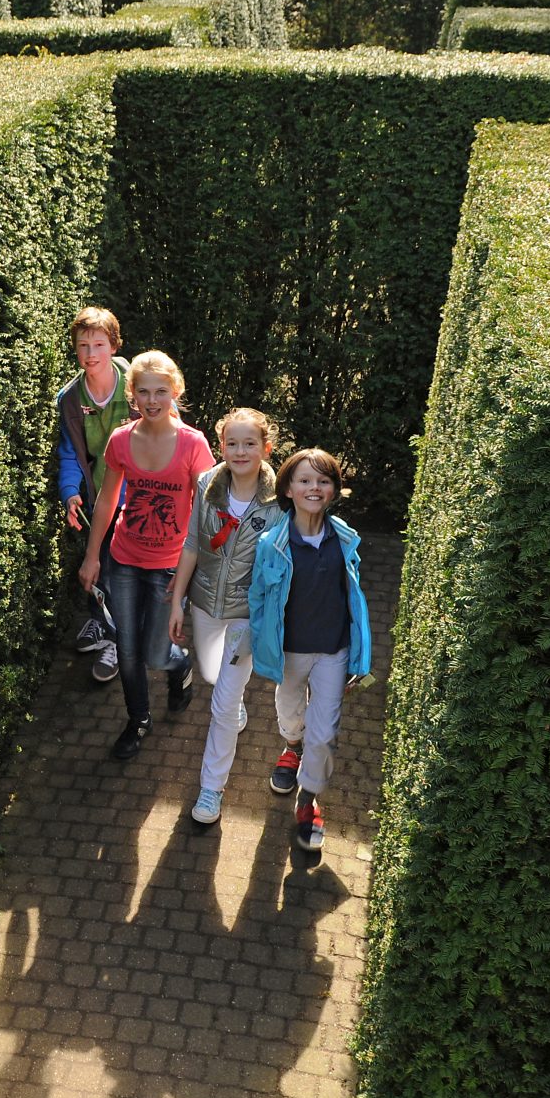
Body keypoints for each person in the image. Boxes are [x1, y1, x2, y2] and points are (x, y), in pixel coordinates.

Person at [79, 351, 212, 760]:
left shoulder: (193, 444)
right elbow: (106, 500)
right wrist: (92, 556)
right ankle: (138, 720)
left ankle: (180, 666)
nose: (152, 400)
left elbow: (208, 508)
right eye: (143, 392)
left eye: (161, 391)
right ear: (132, 394)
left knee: (156, 653)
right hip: (123, 558)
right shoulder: (121, 440)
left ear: (176, 391)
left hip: (169, 566)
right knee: (127, 648)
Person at [248, 448, 372, 854]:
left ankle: (308, 800)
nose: (313, 488)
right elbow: (259, 600)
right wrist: (258, 645)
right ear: (288, 487)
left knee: (325, 733)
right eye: (304, 480)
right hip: (290, 653)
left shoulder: (346, 539)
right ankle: (290, 747)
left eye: (323, 480)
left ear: (334, 489)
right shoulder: (273, 543)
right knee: (290, 714)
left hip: (333, 651)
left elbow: (353, 599)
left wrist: (360, 654)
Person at [169, 408, 280, 824]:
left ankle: (211, 790)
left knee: (222, 702)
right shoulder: (206, 484)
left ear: (266, 448)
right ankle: (233, 706)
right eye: (232, 443)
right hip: (204, 606)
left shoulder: (278, 500)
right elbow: (194, 543)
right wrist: (178, 600)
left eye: (249, 443)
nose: (240, 450)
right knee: (214, 677)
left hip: (246, 614)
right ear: (221, 447)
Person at [56, 306, 135, 685]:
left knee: (119, 571)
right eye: (83, 344)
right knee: (97, 564)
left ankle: (118, 641)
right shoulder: (70, 399)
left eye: (99, 344)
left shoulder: (138, 385)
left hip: (136, 498)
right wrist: (70, 493)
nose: (90, 353)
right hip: (99, 497)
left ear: (114, 346)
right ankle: (100, 623)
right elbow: (71, 452)